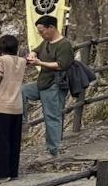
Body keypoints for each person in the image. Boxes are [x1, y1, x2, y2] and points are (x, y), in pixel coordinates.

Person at [23, 15, 72, 161]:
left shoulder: (64, 44)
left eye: (42, 31)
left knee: (52, 116)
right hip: (42, 83)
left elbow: (62, 65)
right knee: (21, 91)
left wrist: (40, 63)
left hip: (54, 84)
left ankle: (54, 149)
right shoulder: (46, 41)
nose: (40, 34)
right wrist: (32, 54)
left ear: (51, 28)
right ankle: (23, 122)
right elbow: (36, 49)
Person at [0, 35, 28, 183]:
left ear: (0, 48)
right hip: (16, 106)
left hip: (0, 106)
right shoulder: (22, 62)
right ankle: (11, 171)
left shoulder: (1, 60)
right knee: (12, 140)